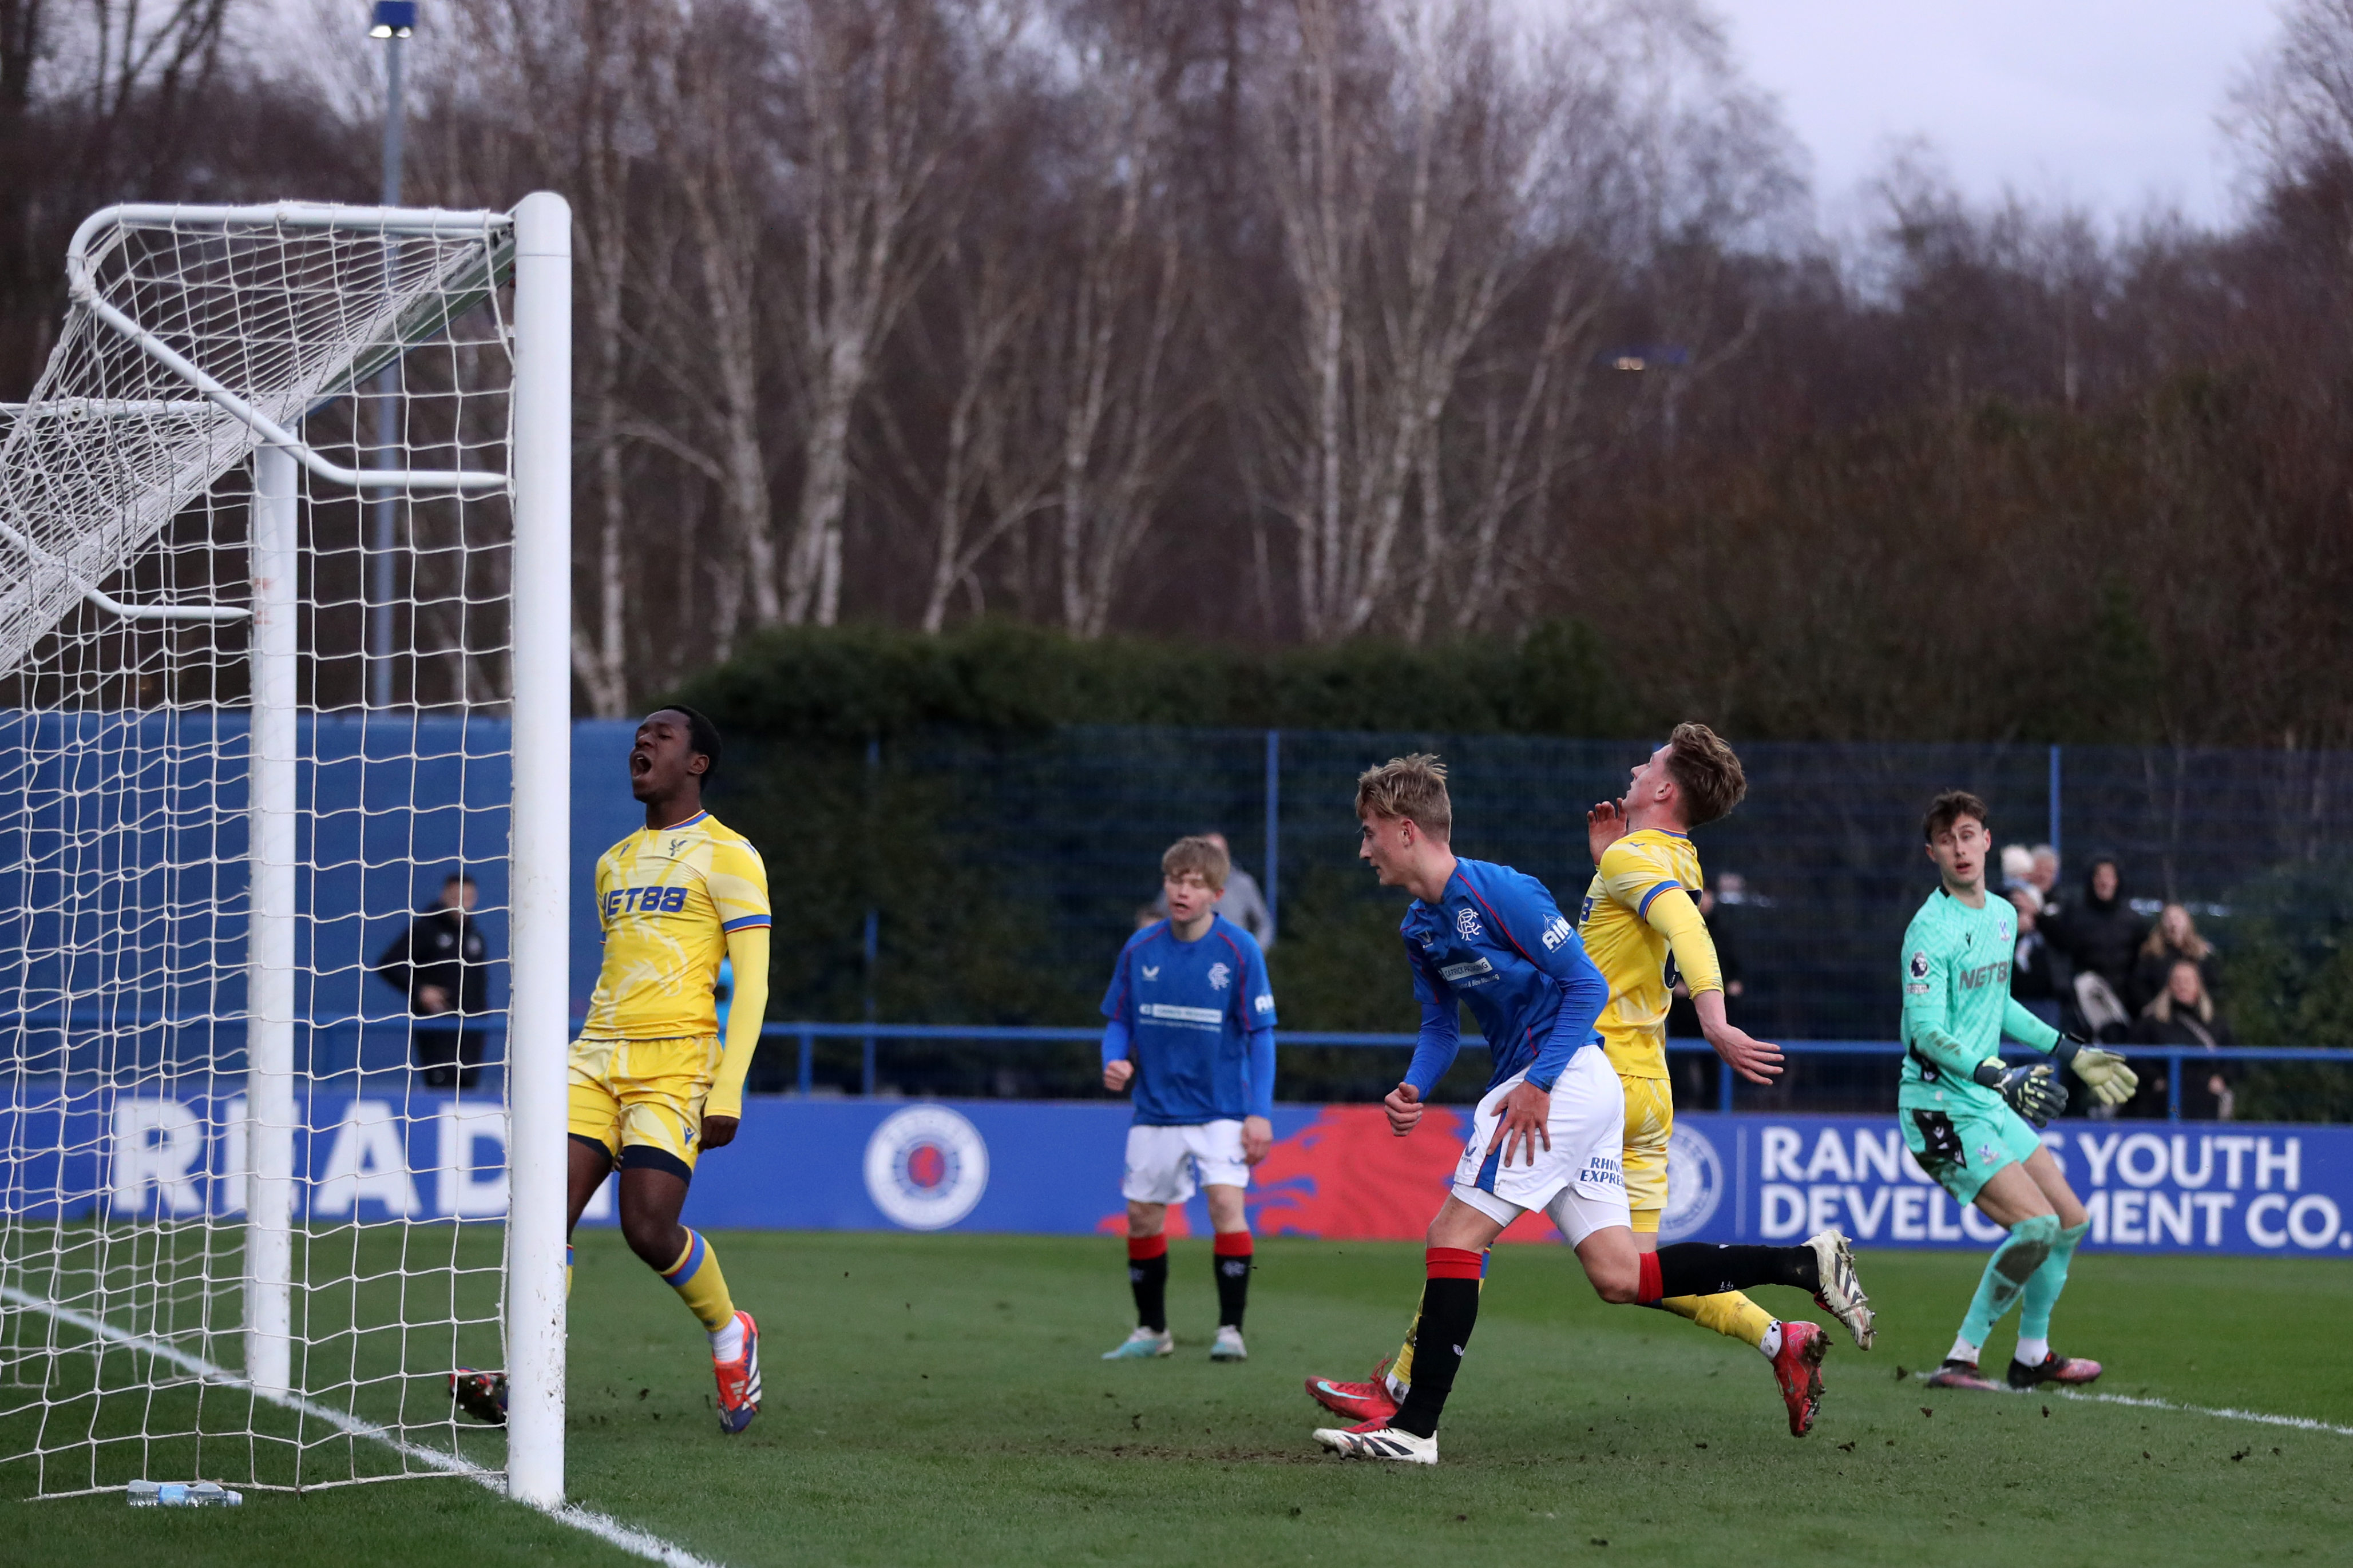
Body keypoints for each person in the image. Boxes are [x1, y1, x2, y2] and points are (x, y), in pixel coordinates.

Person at [1306, 755, 1870, 1464]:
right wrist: (1414, 1085)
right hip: (1580, 1084)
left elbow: (1584, 985)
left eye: (1368, 833)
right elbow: (1440, 1028)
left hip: (1565, 1080)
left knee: (1453, 1232)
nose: (1362, 849)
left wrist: (1539, 1081)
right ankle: (1799, 1263)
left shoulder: (1500, 890)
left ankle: (1412, 1427)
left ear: (1406, 829)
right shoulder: (1420, 928)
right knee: (1620, 1274)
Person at [449, 707, 771, 1435]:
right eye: (639, 734)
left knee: (648, 1228)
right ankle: (527, 1378)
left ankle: (730, 1332)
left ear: (697, 763)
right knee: (542, 1212)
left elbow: (750, 984)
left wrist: (729, 1086)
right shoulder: (614, 861)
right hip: (594, 1057)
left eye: (663, 734)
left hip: (678, 1064)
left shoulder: (729, 854)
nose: (643, 741)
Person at [1903, 791, 2137, 1394]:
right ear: (1931, 852)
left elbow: (1996, 1003)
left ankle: (2031, 1354)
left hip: (1982, 1096)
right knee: (2033, 1225)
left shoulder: (2002, 916)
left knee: (2068, 1219)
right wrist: (1995, 1073)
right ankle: (1961, 1358)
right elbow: (1926, 1032)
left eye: (1968, 833)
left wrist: (2071, 1050)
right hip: (1939, 1107)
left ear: (1986, 841)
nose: (1959, 847)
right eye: (1946, 838)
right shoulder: (1928, 930)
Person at [1099, 836, 1276, 1363]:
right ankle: (1153, 1330)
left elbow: (1261, 1035)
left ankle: (1231, 1330)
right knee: (1142, 1217)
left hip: (1221, 1109)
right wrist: (1117, 1058)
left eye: (1195, 884)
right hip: (1155, 1110)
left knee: (1226, 1204)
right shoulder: (1140, 948)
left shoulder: (1239, 950)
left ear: (1218, 893)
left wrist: (1259, 1114)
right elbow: (1120, 1020)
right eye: (1176, 880)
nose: (1182, 891)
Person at [373, 873, 490, 1090]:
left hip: (471, 1032)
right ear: (444, 896)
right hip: (438, 1028)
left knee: (467, 1089)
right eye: (456, 898)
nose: (462, 904)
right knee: (443, 1088)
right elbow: (389, 964)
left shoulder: (475, 936)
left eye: (468, 898)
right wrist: (420, 991)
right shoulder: (426, 930)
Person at [2044, 854, 2148, 1043]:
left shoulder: (2133, 921)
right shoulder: (2075, 915)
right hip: (2083, 1004)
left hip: (2124, 1004)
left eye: (2110, 876)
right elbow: (2059, 943)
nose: (2104, 882)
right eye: (2099, 876)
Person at [2130, 958, 2237, 1120]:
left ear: (2198, 985)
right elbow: (2136, 1057)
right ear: (2169, 986)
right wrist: (2155, 1081)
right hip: (2164, 1104)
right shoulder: (2152, 1023)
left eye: (2188, 981)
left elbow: (2235, 1059)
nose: (2182, 986)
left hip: (2206, 1104)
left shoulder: (2216, 1023)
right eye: (2177, 981)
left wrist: (2222, 1079)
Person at [1149, 831, 1275, 948]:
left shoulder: (1242, 884)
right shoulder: (1182, 884)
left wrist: (1253, 952)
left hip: (1231, 961)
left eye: (1219, 853)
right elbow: (1155, 918)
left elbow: (1264, 925)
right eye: (1209, 853)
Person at [2131, 903, 2222, 1014]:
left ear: (2187, 922)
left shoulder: (2201, 955)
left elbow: (2213, 986)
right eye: (2168, 919)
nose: (2173, 924)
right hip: (2160, 1017)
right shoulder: (2151, 956)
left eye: (2177, 918)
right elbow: (2138, 988)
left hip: (2195, 1014)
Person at [2006, 886, 2070, 1032]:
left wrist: (2039, 917)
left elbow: (2067, 941)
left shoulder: (2051, 929)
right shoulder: (2006, 933)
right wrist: (2016, 930)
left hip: (2048, 1003)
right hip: (2012, 1002)